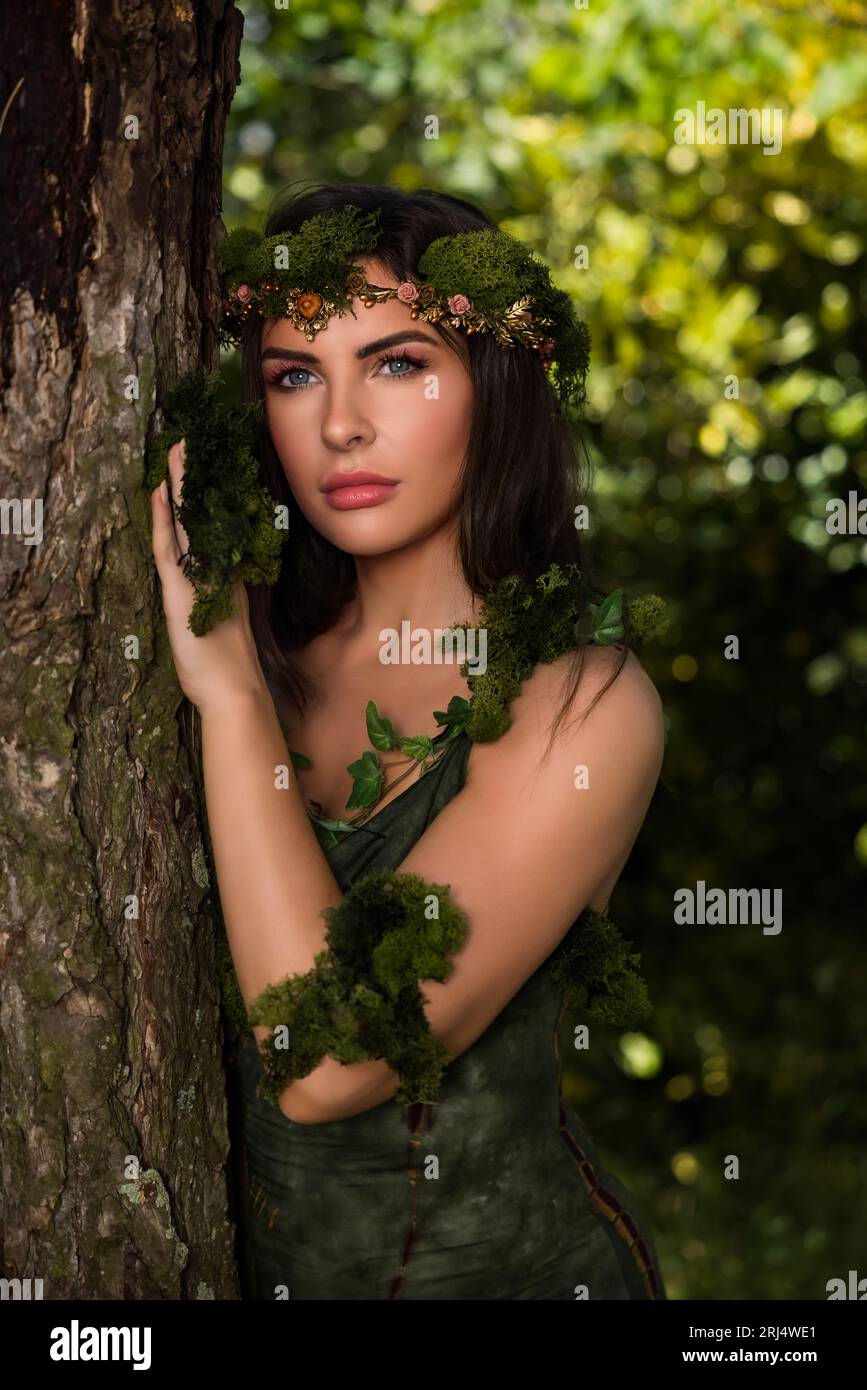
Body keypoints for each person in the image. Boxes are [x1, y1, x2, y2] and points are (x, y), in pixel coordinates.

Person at [149, 181, 668, 1300]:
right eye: (295, 375)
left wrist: (233, 704)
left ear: (491, 384)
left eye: (397, 363)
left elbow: (331, 1064)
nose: (340, 424)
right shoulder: (260, 641)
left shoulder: (581, 704)